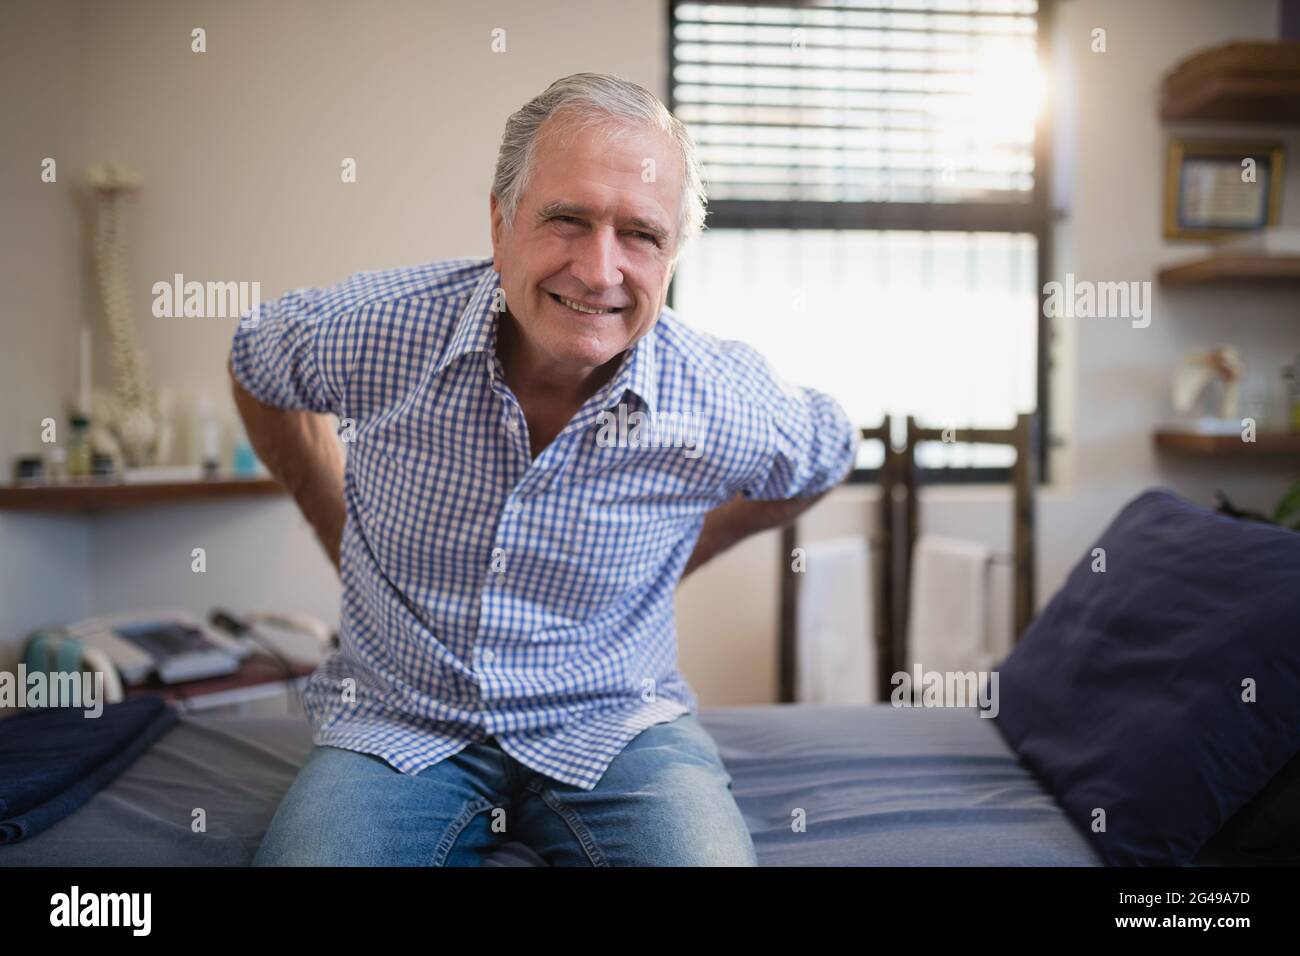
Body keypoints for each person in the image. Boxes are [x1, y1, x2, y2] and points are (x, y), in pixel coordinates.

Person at [231, 73, 858, 866]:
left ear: (672, 256)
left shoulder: (718, 395)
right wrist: (336, 523)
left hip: (616, 721)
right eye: (568, 219)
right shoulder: (381, 328)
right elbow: (255, 358)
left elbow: (830, 449)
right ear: (501, 224)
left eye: (641, 235)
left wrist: (687, 551)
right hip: (400, 720)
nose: (599, 271)